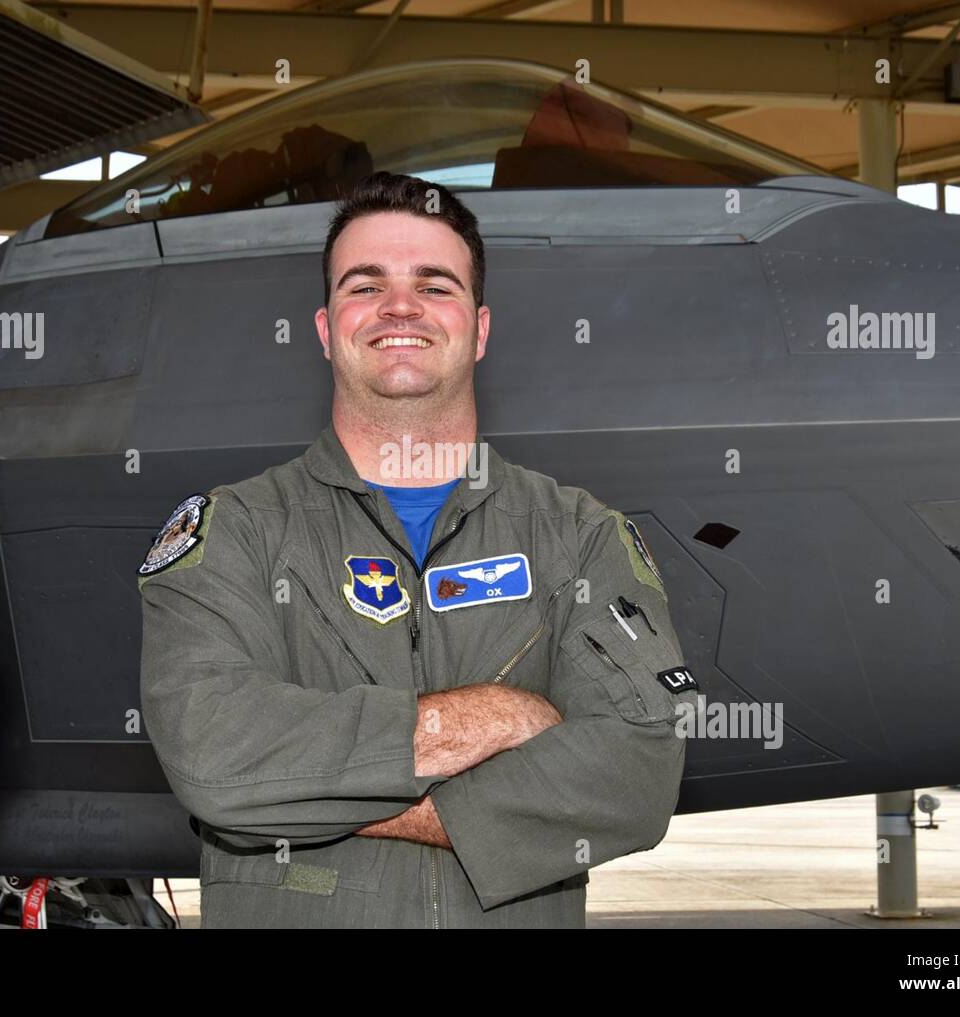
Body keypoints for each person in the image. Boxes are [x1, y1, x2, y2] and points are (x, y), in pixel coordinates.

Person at [137, 171, 698, 928]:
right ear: (327, 329)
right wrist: (491, 719)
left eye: (435, 286)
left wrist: (320, 794)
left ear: (481, 327)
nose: (400, 306)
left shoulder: (579, 536)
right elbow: (213, 759)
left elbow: (637, 774)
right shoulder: (234, 534)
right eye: (364, 286)